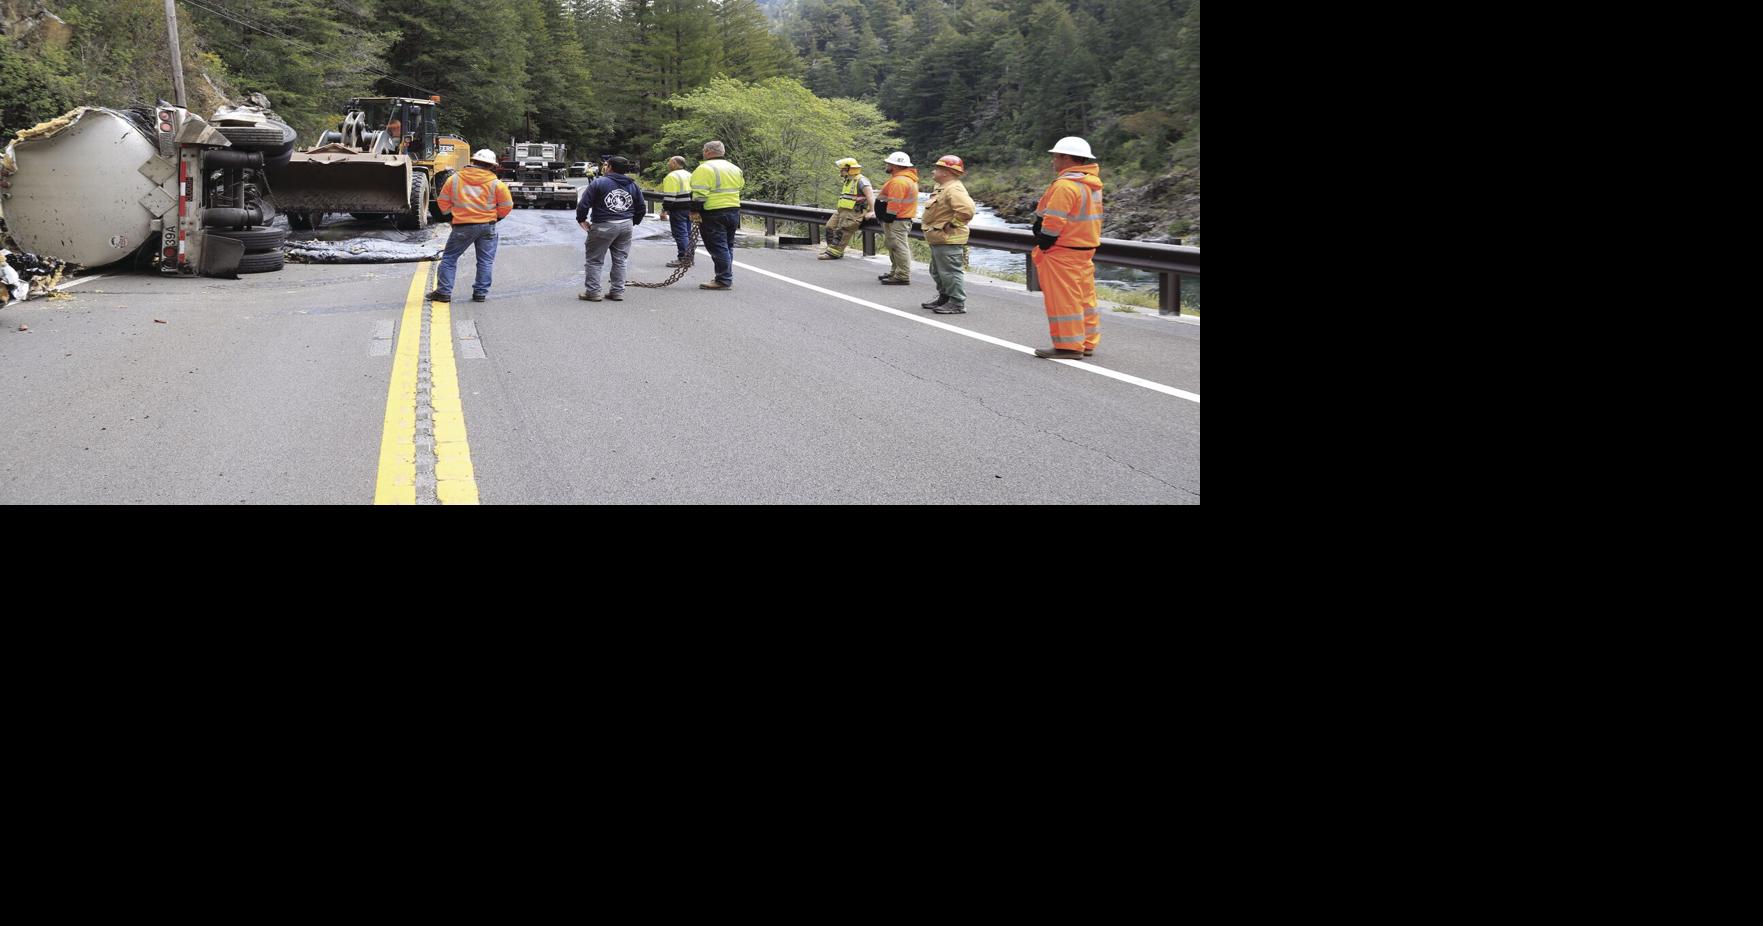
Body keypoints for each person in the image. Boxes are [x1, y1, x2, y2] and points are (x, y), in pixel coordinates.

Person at [1031, 137, 1105, 359]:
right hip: (1084, 248)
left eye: (1055, 156)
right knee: (1084, 298)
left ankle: (1069, 346)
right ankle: (1087, 341)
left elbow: (1054, 221)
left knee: (1063, 300)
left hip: (1063, 250)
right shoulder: (1091, 185)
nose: (1053, 160)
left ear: (1065, 157)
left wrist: (1044, 242)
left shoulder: (1065, 185)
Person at [427, 148, 513, 304]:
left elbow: (442, 201)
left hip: (463, 226)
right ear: (491, 166)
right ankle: (480, 293)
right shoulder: (496, 184)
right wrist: (496, 217)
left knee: (449, 259)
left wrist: (450, 217)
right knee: (485, 261)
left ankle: (444, 292)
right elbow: (507, 205)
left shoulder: (454, 180)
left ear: (473, 162)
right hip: (488, 226)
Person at [576, 155, 646, 302]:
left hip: (603, 224)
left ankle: (593, 292)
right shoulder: (632, 185)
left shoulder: (599, 183)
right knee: (620, 259)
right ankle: (617, 292)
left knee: (594, 260)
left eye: (606, 165)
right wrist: (634, 222)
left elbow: (584, 204)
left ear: (610, 167)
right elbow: (641, 207)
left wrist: (581, 219)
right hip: (626, 224)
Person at [920, 155, 975, 314]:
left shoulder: (954, 189)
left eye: (937, 168)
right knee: (937, 271)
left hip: (948, 238)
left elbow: (967, 210)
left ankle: (957, 303)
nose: (933, 171)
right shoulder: (942, 188)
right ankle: (945, 298)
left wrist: (952, 225)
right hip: (940, 238)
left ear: (946, 172)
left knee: (950, 272)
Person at [690, 140, 744, 291]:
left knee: (717, 246)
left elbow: (699, 194)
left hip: (713, 212)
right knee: (728, 245)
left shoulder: (704, 168)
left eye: (703, 150)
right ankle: (725, 276)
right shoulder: (735, 168)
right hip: (733, 209)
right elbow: (740, 186)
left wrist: (694, 211)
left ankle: (724, 279)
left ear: (707, 152)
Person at [818, 157, 876, 260]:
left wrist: (872, 211)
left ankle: (834, 253)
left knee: (843, 231)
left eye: (842, 169)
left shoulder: (861, 180)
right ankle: (831, 249)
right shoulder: (848, 180)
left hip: (854, 212)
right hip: (842, 210)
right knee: (829, 227)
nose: (840, 171)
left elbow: (870, 195)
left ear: (850, 169)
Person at [875, 151, 919, 285]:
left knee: (899, 247)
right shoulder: (904, 179)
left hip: (897, 220)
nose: (886, 165)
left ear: (895, 165)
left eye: (888, 163)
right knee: (894, 246)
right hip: (898, 219)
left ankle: (902, 275)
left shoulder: (899, 181)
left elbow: (894, 201)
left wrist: (888, 216)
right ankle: (896, 271)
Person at [659, 155, 696, 268]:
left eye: (669, 162)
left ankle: (683, 258)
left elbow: (670, 196)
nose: (668, 164)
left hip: (678, 209)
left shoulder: (672, 176)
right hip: (690, 208)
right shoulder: (690, 175)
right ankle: (690, 257)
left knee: (680, 234)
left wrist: (664, 210)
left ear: (675, 163)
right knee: (688, 233)